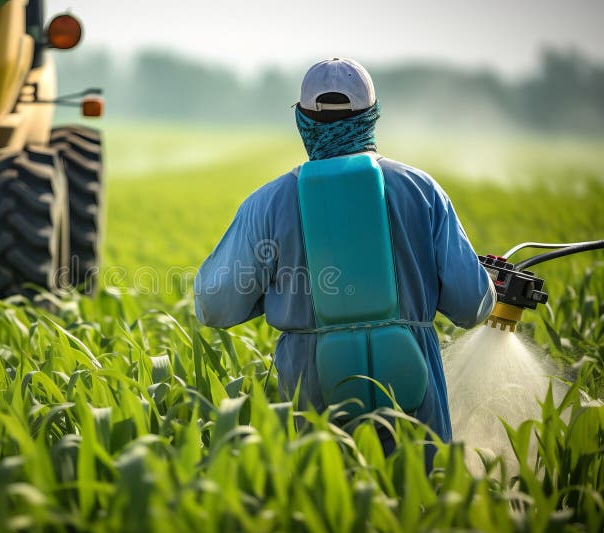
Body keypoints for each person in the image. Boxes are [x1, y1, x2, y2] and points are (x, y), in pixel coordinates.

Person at [193, 58, 495, 452]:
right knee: (418, 502)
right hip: (414, 398)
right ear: (371, 115)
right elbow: (473, 305)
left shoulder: (267, 203)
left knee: (321, 504)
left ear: (303, 120)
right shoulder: (423, 192)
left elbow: (215, 306)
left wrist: (274, 292)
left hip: (311, 397)